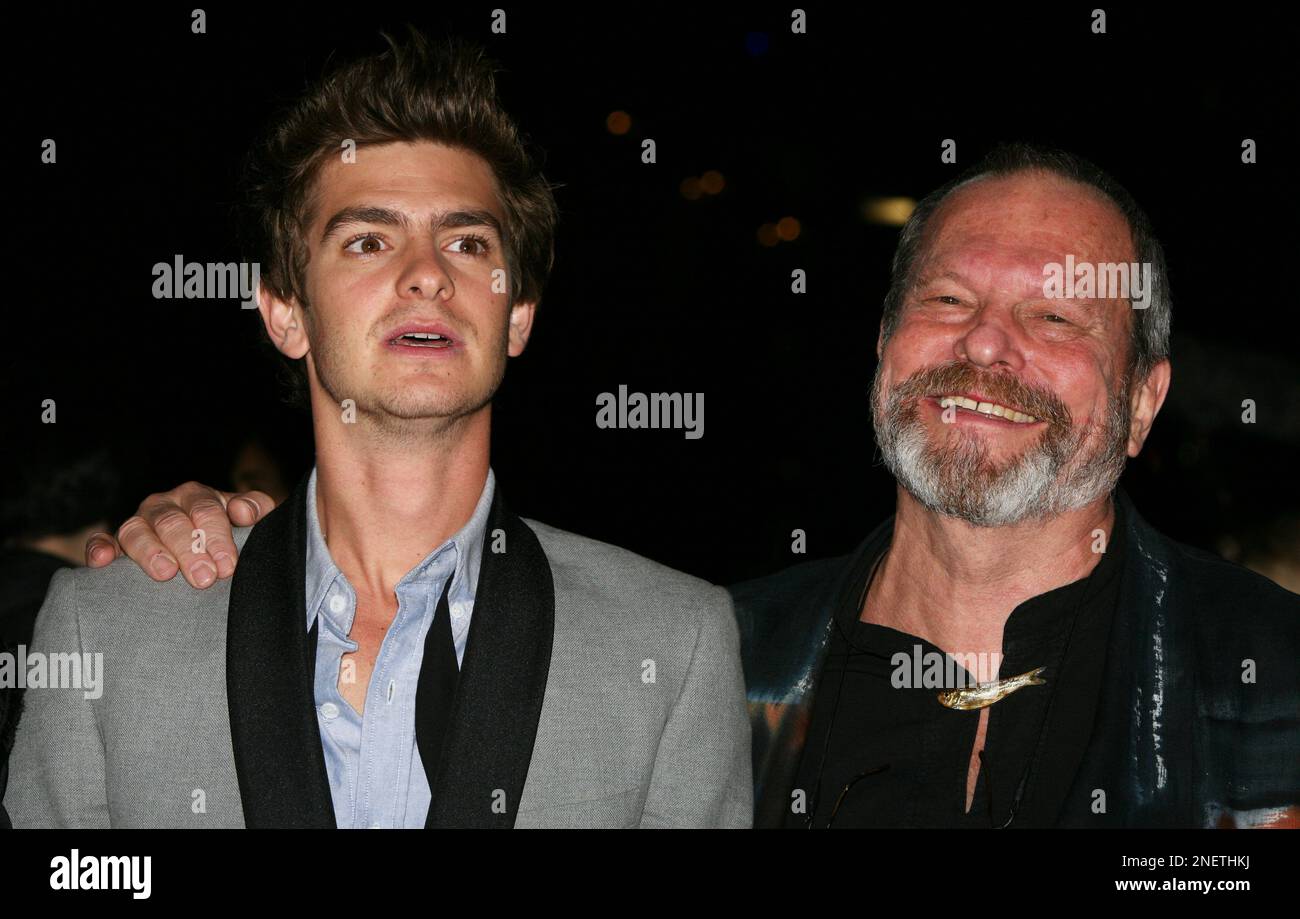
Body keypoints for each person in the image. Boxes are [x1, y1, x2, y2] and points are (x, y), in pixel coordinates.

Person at [89, 143, 1300, 829]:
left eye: (1052, 314)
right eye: (947, 300)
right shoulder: (709, 653)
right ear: (883, 349)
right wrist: (250, 553)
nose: (986, 349)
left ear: (1143, 398)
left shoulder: (1272, 686)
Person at [3, 30, 750, 829]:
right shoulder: (108, 628)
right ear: (286, 313)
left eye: (467, 242)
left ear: (518, 314)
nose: (427, 271)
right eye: (368, 240)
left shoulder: (674, 645)